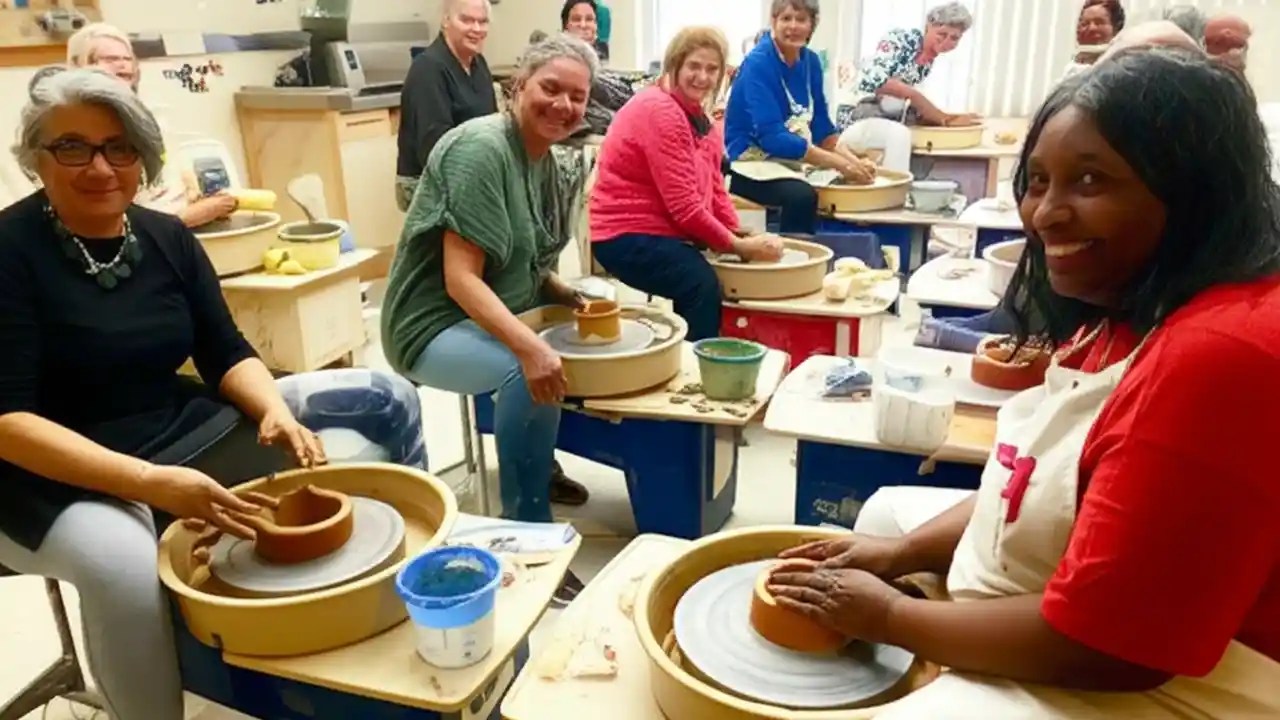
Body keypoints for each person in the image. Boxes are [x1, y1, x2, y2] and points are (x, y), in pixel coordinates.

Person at [768, 48, 1280, 717]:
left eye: (1090, 181)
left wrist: (893, 617)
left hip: (1171, 676)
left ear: (1193, 191)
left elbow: (1113, 649)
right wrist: (899, 554)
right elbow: (1025, 478)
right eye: (1038, 181)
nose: (1045, 214)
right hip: (1112, 609)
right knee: (886, 516)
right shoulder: (1133, 296)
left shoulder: (1220, 355)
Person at [0, 68, 326, 720]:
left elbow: (225, 350)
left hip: (162, 425)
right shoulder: (9, 250)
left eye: (119, 147)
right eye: (73, 147)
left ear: (142, 157)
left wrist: (275, 410)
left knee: (308, 458)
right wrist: (152, 484)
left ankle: (280, 668)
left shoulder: (165, 236)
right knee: (123, 561)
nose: (100, 167)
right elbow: (9, 420)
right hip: (38, 466)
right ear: (36, 156)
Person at [381, 37, 600, 600]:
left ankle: (537, 467)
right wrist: (530, 348)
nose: (563, 105)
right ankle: (525, 535)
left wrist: (566, 293)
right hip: (428, 323)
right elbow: (460, 279)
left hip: (477, 314)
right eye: (550, 88)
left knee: (550, 355)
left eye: (577, 96)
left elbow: (525, 258)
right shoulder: (480, 149)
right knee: (524, 369)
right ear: (517, 87)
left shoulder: (542, 158)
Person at [590, 28, 783, 341]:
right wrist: (737, 246)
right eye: (694, 66)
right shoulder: (661, 111)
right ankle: (694, 365)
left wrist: (736, 232)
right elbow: (685, 208)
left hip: (663, 229)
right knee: (699, 284)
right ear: (675, 65)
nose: (702, 77)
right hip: (624, 234)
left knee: (719, 269)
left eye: (711, 69)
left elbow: (715, 189)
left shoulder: (699, 117)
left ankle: (693, 349)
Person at [66, 23, 238, 229]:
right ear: (78, 66)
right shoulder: (76, 131)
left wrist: (192, 191)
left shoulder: (147, 117)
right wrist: (191, 216)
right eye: (110, 59)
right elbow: (113, 224)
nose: (122, 65)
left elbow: (163, 171)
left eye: (127, 59)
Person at [724, 0, 873, 235]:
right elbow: (772, 138)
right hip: (750, 163)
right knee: (801, 196)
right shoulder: (758, 63)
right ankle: (796, 253)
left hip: (791, 160)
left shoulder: (811, 62)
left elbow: (823, 128)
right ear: (773, 22)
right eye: (786, 19)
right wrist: (840, 164)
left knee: (845, 182)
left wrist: (854, 162)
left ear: (812, 24)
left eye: (801, 19)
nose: (793, 26)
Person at [395, 0, 497, 212]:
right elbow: (434, 147)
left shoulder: (479, 64)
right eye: (466, 20)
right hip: (430, 183)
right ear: (446, 20)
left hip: (472, 173)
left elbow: (493, 125)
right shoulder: (428, 69)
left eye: (483, 22)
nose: (476, 29)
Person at [841, 1, 980, 128]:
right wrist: (942, 117)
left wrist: (948, 117)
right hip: (858, 113)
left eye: (954, 38)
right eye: (942, 34)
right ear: (928, 26)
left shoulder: (925, 65)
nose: (947, 41)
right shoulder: (901, 39)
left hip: (886, 114)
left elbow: (903, 99)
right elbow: (878, 81)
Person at [1063, 0, 1126, 77]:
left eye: (1099, 23)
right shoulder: (1070, 72)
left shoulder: (1127, 68)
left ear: (1116, 28)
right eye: (1085, 24)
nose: (1091, 28)